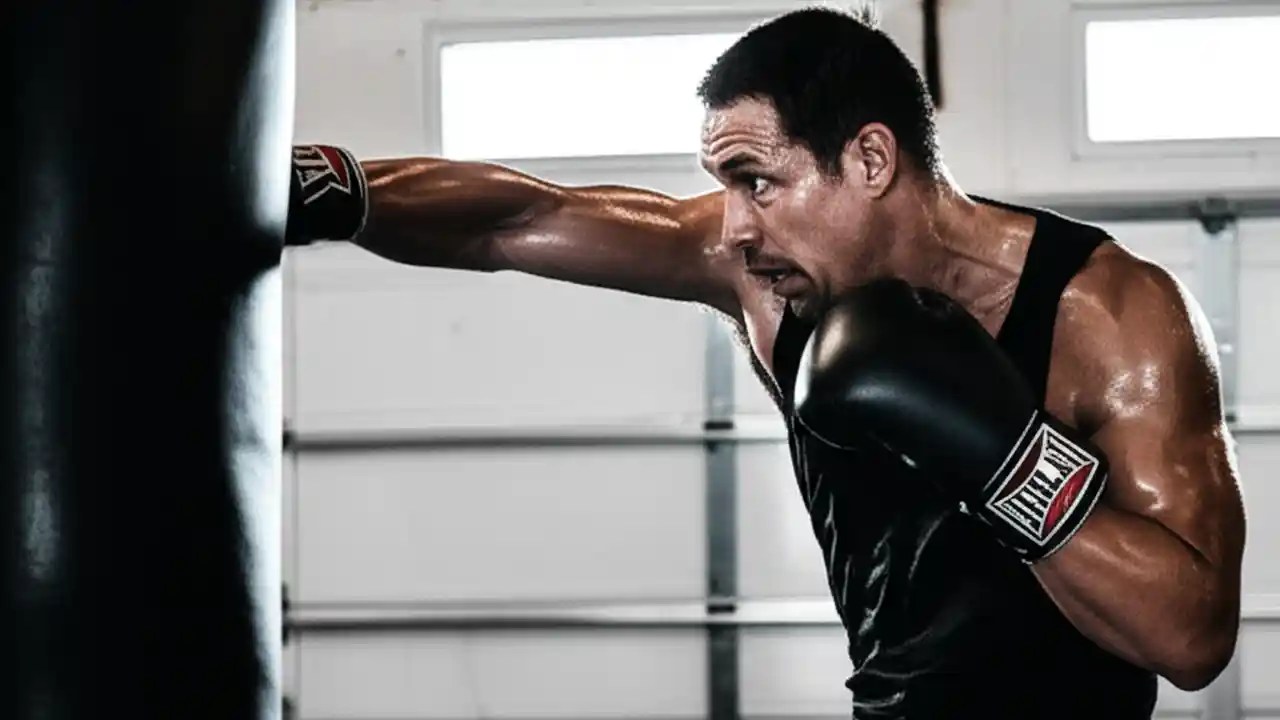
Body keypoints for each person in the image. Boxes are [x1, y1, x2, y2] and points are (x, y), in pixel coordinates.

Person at [284, 6, 1246, 718]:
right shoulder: (761, 274)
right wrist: (326, 188)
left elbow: (1193, 638)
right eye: (724, 187)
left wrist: (1004, 463)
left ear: (871, 161)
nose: (735, 230)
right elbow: (518, 220)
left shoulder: (1111, 314)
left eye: (758, 182)